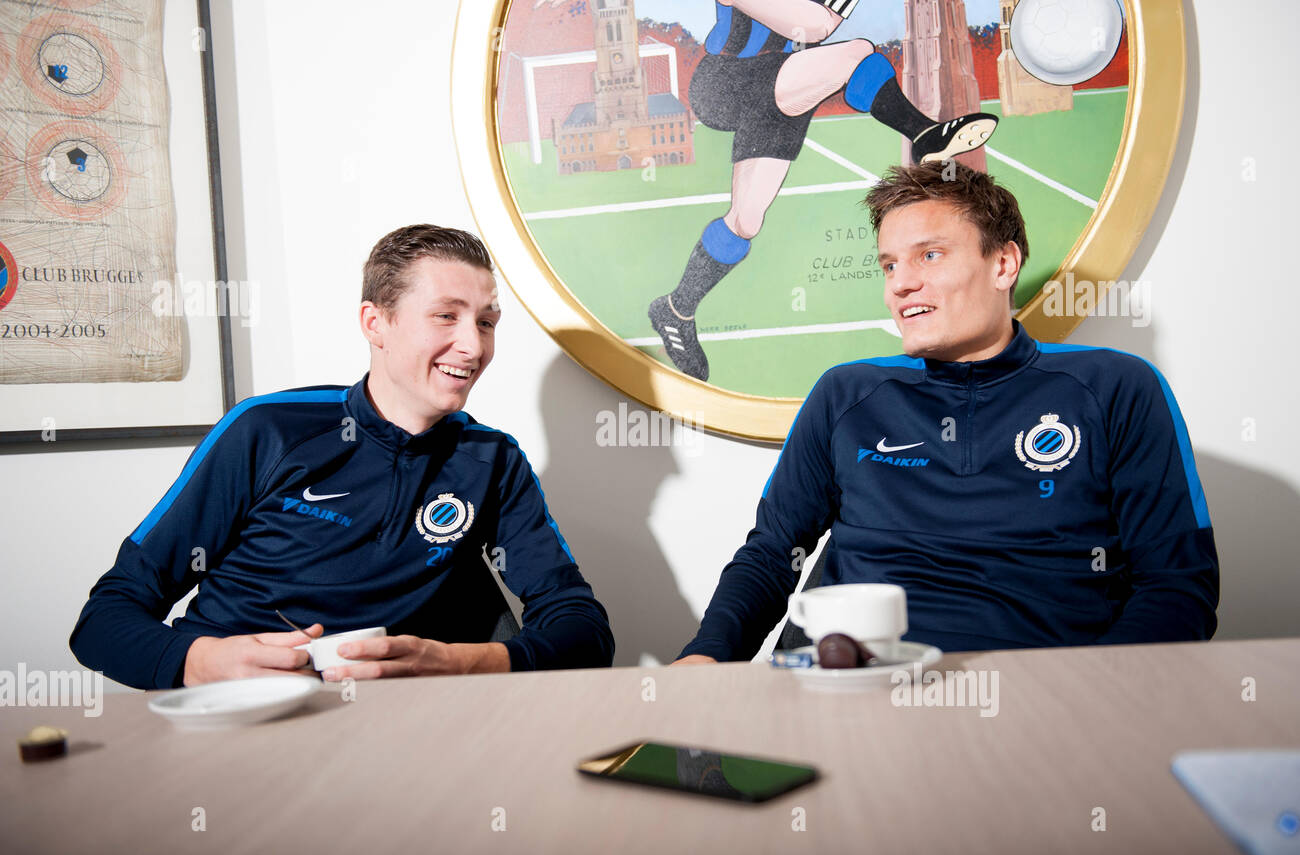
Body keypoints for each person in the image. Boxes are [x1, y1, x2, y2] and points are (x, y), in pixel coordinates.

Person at [675, 161, 1218, 663]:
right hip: (863, 698)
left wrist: (1090, 694)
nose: (900, 283)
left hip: (1050, 700)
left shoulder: (1115, 387)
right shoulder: (846, 395)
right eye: (889, 264)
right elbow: (771, 555)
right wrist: (707, 655)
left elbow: (1177, 587)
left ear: (1003, 262)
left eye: (929, 256)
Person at [71, 224, 614, 689]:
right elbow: (104, 619)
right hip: (228, 723)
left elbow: (582, 629)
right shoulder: (267, 429)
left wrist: (456, 661)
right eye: (446, 317)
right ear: (375, 323)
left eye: (486, 322)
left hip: (389, 739)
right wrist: (199, 662)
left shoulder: (490, 461)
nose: (474, 346)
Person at [649, 0, 998, 380]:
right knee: (858, 53)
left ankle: (675, 309)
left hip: (782, 95)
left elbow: (822, 24)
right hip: (727, 84)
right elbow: (812, 26)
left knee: (744, 222)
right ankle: (923, 133)